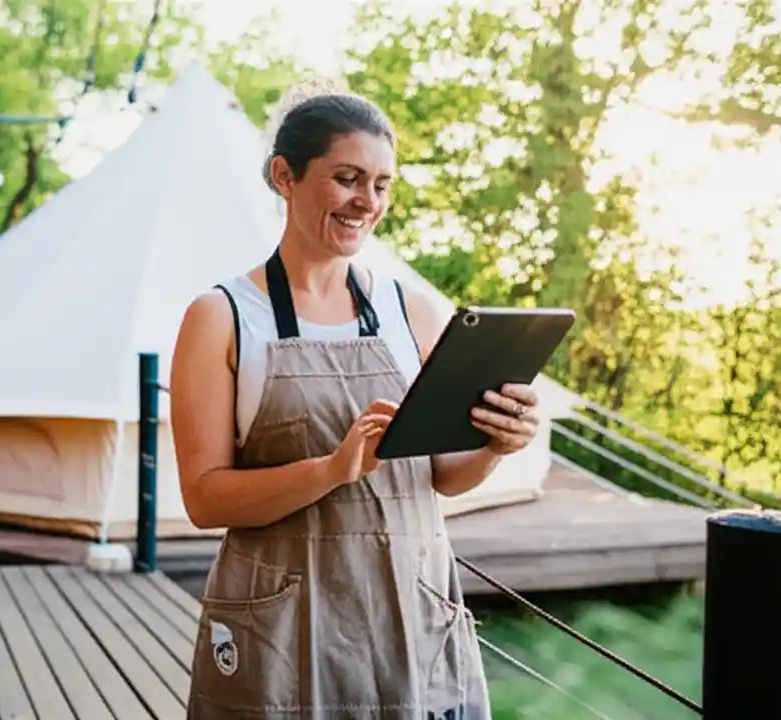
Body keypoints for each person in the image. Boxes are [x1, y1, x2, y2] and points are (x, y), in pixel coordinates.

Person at [168, 81, 542, 719]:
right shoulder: (223, 317)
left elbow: (444, 476)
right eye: (347, 178)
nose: (366, 202)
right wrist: (330, 469)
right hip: (283, 626)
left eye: (382, 184)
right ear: (284, 176)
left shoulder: (413, 311)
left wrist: (497, 444)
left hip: (410, 614)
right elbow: (204, 498)